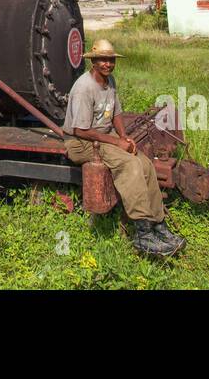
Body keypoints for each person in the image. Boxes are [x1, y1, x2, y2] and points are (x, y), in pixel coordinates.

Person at [62, 38, 185, 258]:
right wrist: (116, 143)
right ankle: (142, 233)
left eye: (111, 60)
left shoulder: (110, 82)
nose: (107, 64)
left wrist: (124, 137)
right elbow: (80, 130)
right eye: (103, 60)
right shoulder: (84, 88)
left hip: (101, 136)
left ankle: (158, 224)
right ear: (94, 62)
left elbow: (116, 113)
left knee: (145, 164)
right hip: (80, 142)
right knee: (130, 165)